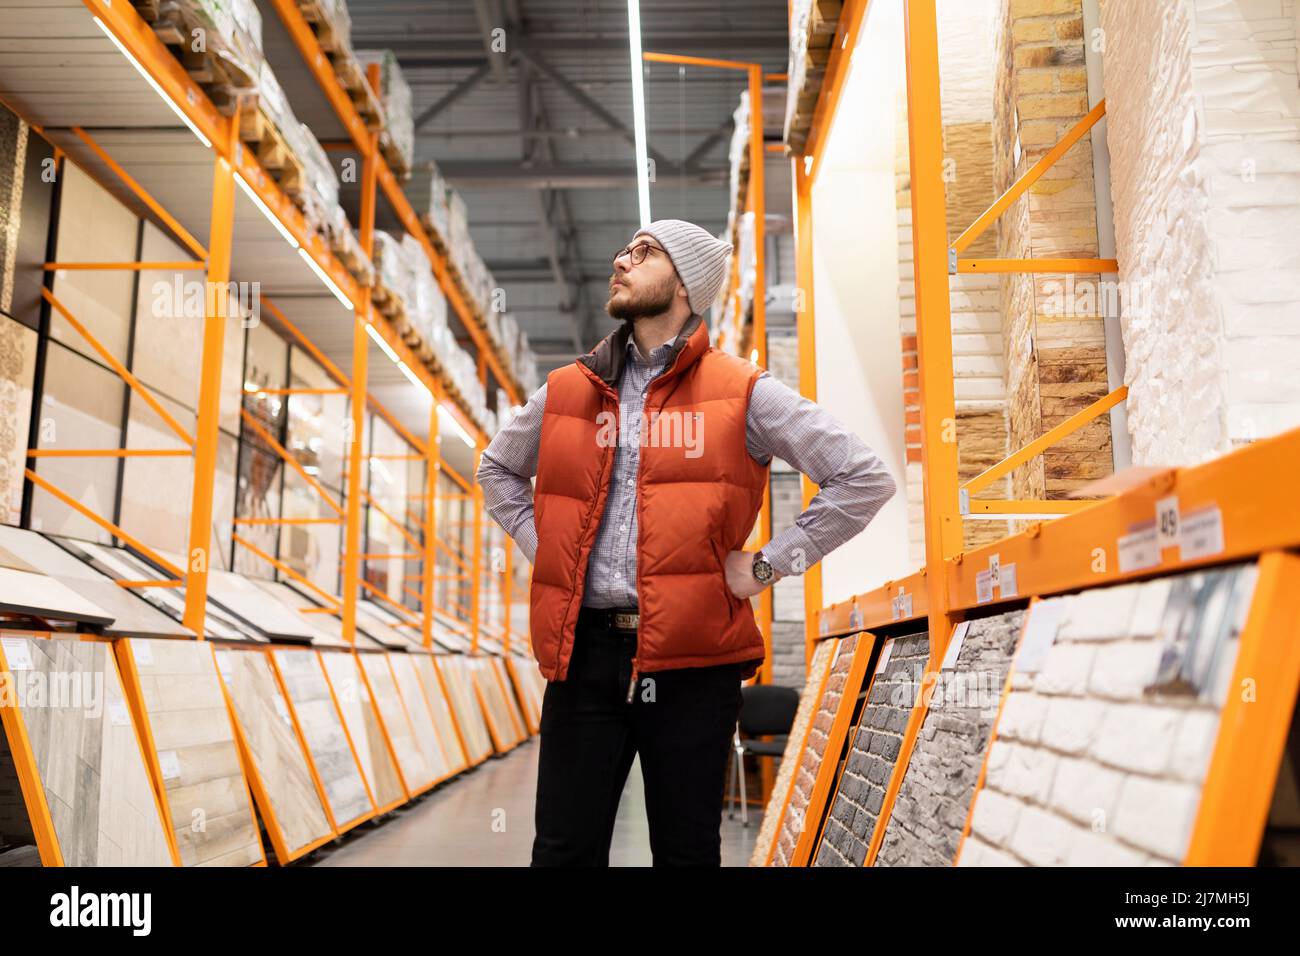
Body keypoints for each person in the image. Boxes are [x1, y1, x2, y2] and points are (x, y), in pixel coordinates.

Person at [476, 218, 897, 866]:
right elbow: (496, 469)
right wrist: (550, 548)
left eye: (643, 252)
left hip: (695, 664)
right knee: (562, 850)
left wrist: (767, 564)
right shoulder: (569, 389)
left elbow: (864, 478)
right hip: (584, 658)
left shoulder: (741, 391)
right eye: (623, 248)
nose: (621, 258)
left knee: (688, 853)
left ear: (685, 286)